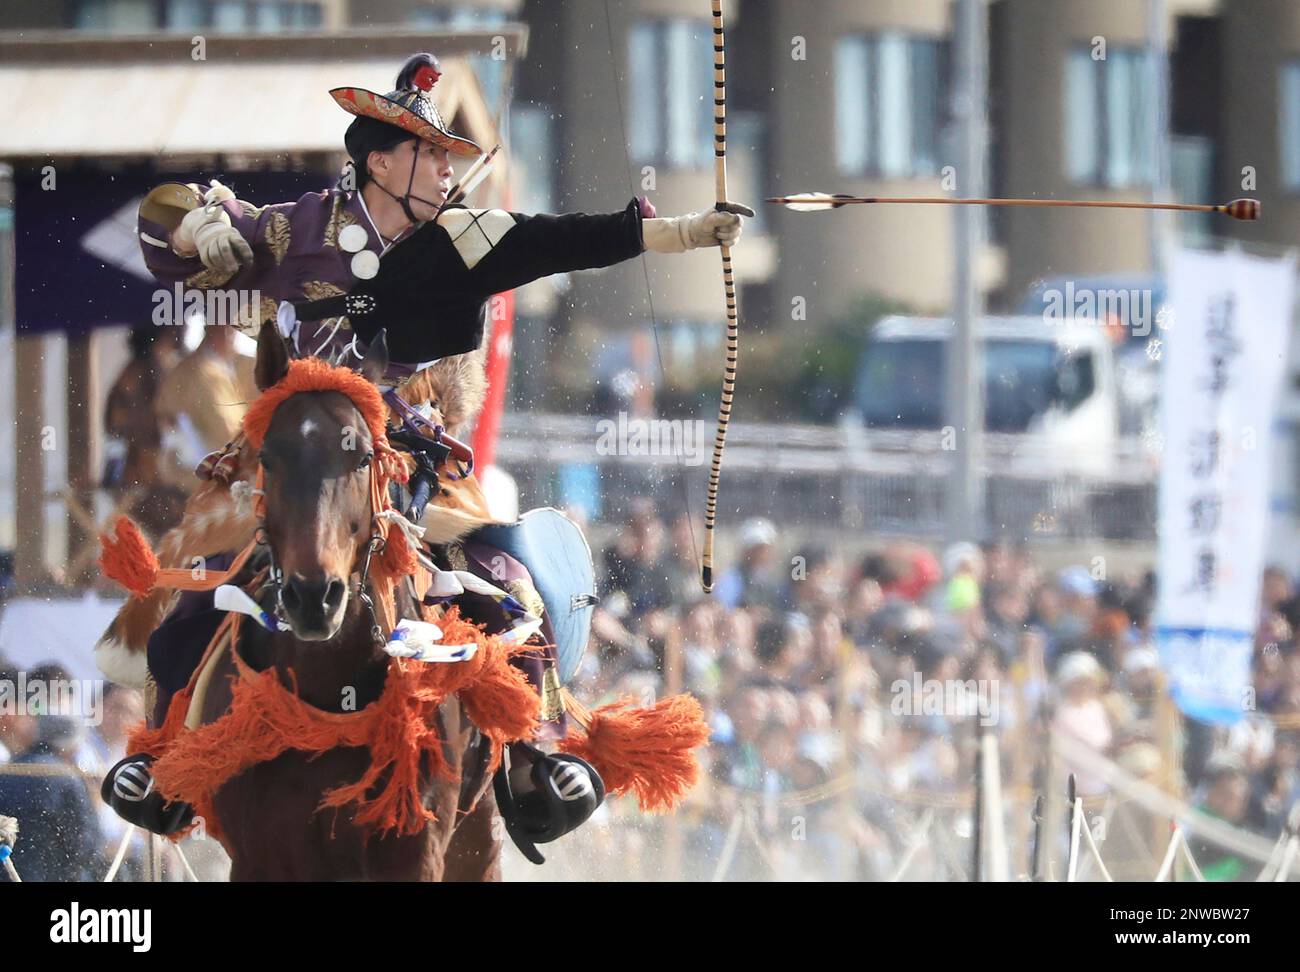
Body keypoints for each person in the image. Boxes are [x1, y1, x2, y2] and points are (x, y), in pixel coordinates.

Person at [101, 51, 750, 856]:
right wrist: (199, 223)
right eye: (431, 154)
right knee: (204, 587)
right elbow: (163, 219)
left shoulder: (458, 237)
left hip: (404, 455)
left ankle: (535, 755)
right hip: (297, 454)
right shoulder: (297, 228)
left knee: (508, 570)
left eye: (448, 156)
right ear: (380, 159)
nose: (448, 169)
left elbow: (556, 240)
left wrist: (678, 232)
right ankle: (162, 758)